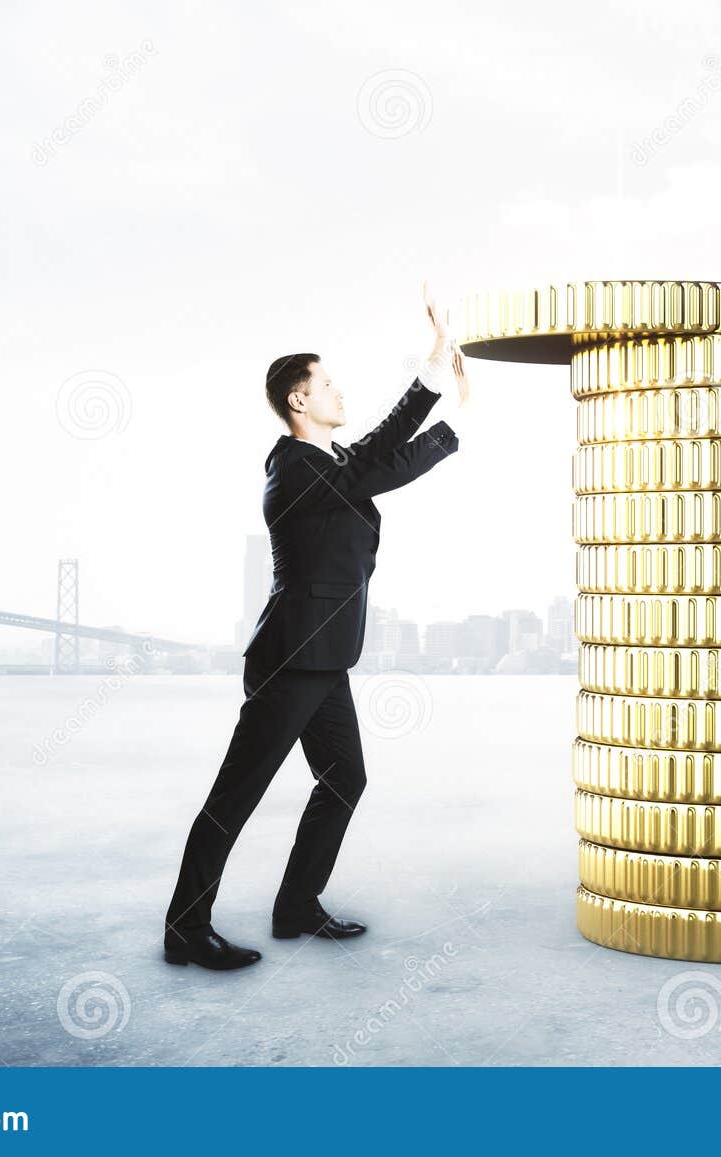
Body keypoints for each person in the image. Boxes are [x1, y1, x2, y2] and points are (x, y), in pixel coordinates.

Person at [163, 285, 469, 970]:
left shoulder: (327, 466)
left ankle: (297, 904)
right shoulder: (294, 470)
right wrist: (446, 434)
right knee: (234, 797)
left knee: (344, 778)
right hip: (288, 660)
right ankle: (185, 929)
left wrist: (435, 366)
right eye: (326, 383)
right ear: (298, 399)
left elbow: (376, 449)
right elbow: (382, 466)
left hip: (324, 658)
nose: (338, 390)